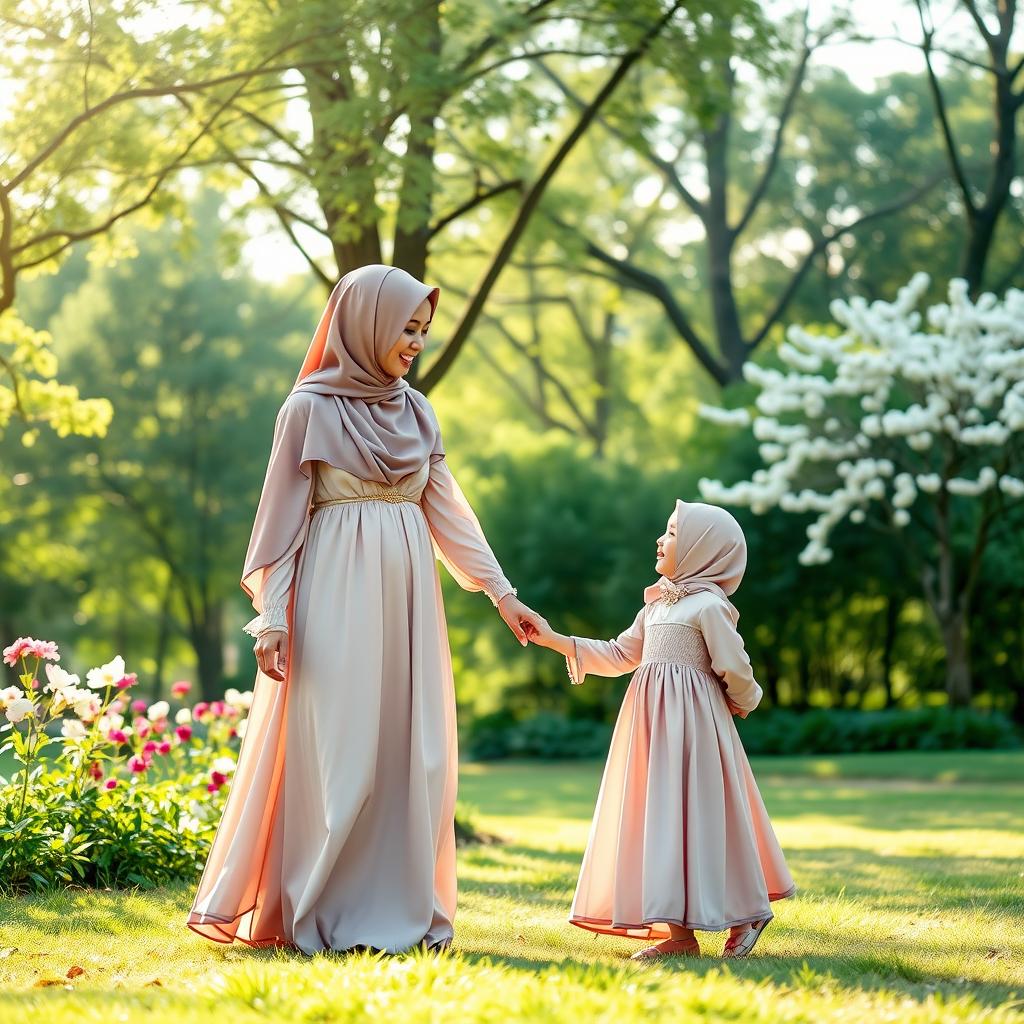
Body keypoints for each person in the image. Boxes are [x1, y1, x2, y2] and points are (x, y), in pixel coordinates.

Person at [187, 265, 543, 954]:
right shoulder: (306, 410)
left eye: (422, 332)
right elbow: (282, 526)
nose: (415, 344)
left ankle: (398, 909)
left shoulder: (417, 410)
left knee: (414, 755)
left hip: (409, 600)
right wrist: (275, 617)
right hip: (333, 596)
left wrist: (502, 593)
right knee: (341, 752)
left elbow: (449, 512)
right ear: (366, 323)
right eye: (406, 329)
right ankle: (319, 906)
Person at [529, 500, 795, 959]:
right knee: (661, 821)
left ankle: (749, 910)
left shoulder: (709, 607)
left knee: (704, 816)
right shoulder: (655, 606)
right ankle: (679, 937)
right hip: (651, 731)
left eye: (671, 532)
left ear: (701, 548)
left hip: (694, 729)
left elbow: (734, 665)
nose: (660, 539)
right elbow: (619, 654)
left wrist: (742, 702)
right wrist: (554, 639)